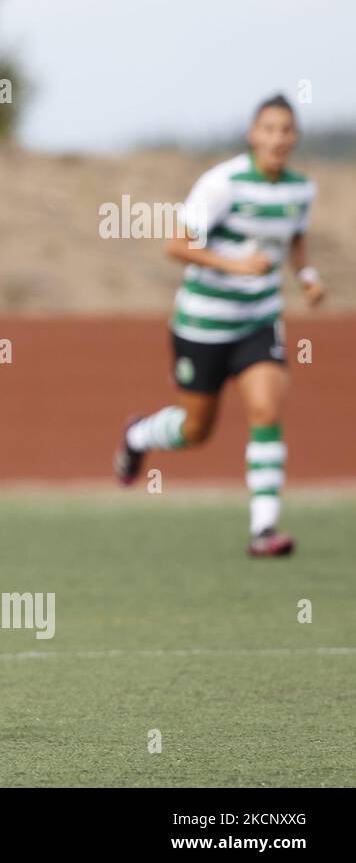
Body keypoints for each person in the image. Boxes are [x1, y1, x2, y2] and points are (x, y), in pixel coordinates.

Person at [114, 94, 326, 557]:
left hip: (258, 321)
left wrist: (307, 278)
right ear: (254, 134)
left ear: (295, 137)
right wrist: (233, 265)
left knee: (267, 411)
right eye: (269, 129)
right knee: (196, 431)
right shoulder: (222, 183)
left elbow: (296, 240)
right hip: (203, 323)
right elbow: (177, 245)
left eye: (286, 130)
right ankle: (138, 435)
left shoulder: (300, 190)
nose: (278, 138)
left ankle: (263, 530)